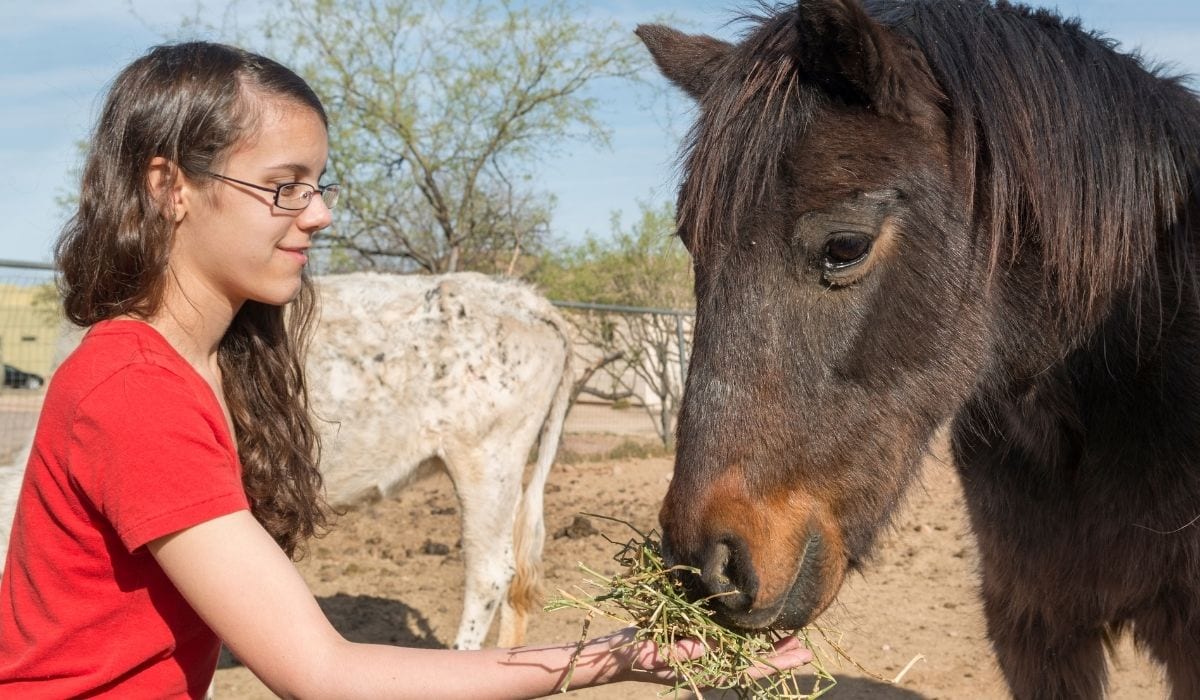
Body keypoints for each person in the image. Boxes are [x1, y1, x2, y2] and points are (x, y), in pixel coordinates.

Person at [0, 42, 810, 698]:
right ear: (170, 187)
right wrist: (616, 657)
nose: (319, 213)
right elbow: (324, 673)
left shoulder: (208, 363)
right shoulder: (134, 390)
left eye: (320, 184)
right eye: (284, 188)